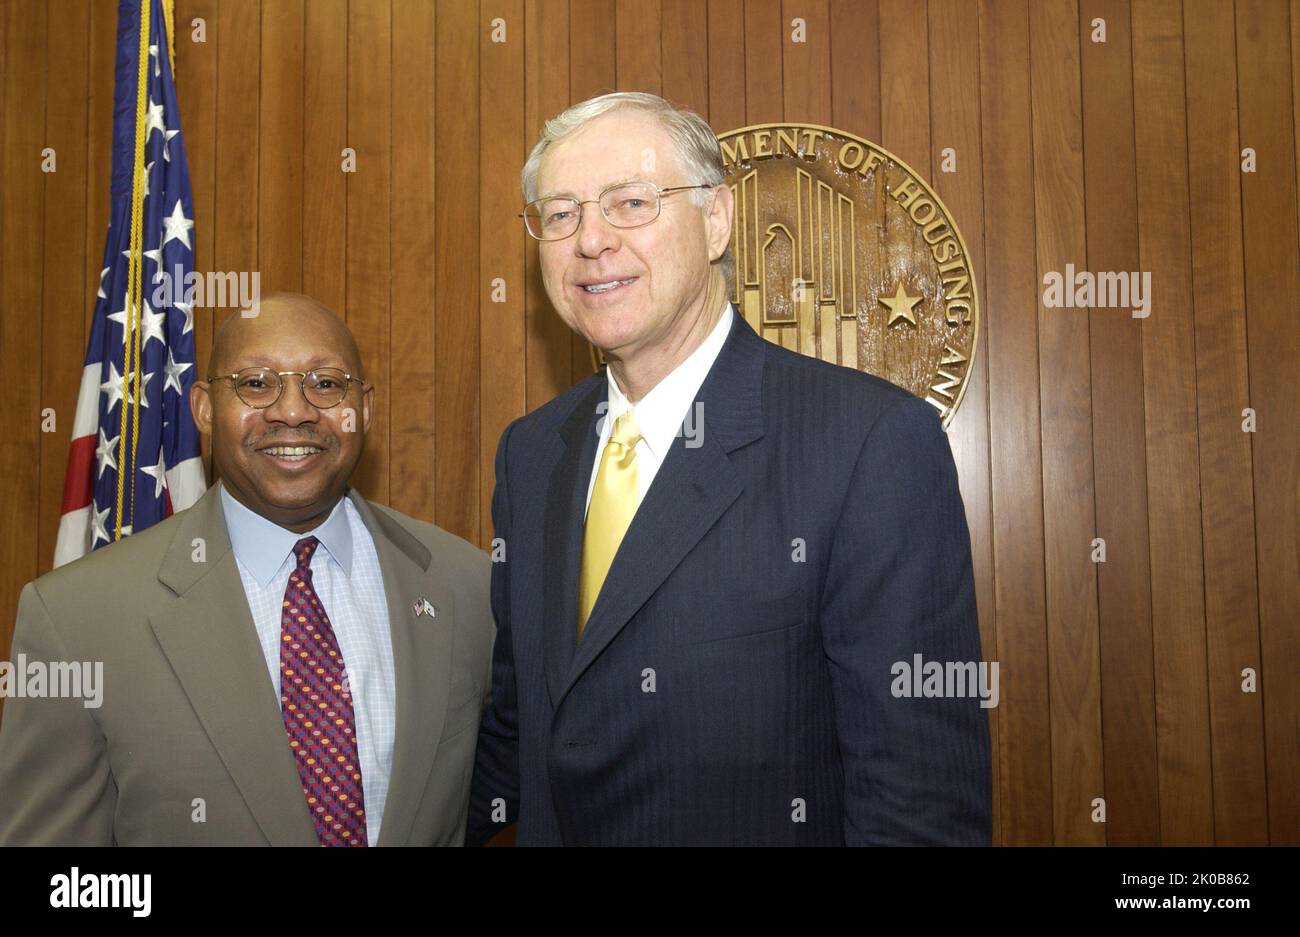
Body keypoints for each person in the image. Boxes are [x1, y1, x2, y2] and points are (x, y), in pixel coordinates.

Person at [468, 92, 991, 845]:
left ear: (716, 219)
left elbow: (920, 804)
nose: (591, 241)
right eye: (560, 214)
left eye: (631, 203)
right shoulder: (530, 452)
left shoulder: (869, 442)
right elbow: (519, 724)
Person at [0, 293, 493, 846]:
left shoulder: (467, 587)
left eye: (326, 383)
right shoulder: (76, 620)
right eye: (256, 383)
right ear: (204, 408)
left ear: (366, 408)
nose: (293, 411)